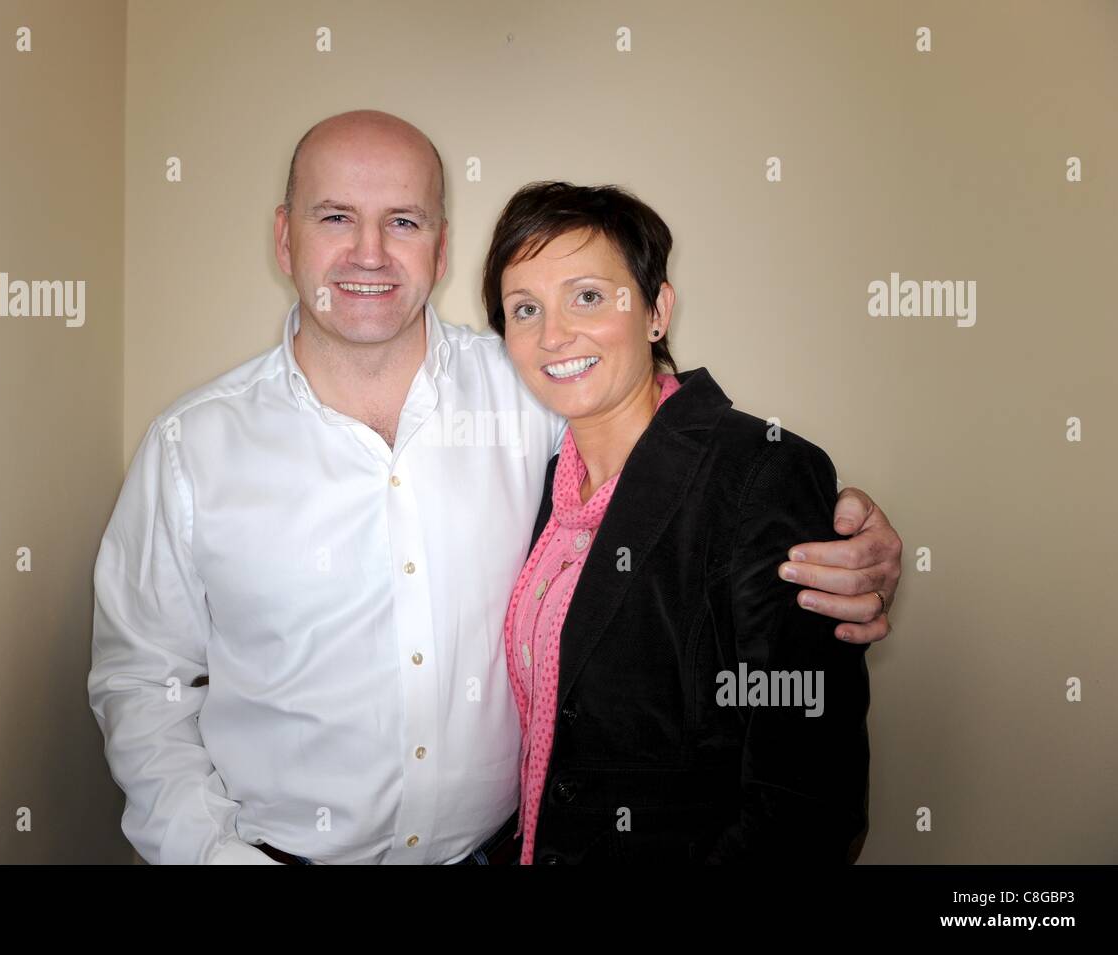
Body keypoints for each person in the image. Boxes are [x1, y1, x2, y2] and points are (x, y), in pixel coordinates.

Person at [87, 110, 901, 865]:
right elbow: (139, 682)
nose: (369, 252)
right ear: (283, 238)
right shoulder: (190, 447)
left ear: (439, 250)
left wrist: (842, 528)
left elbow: (666, 450)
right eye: (335, 216)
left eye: (402, 221)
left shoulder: (529, 388)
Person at [487, 180, 873, 863]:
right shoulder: (545, 485)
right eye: (525, 309)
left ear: (656, 309)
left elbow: (809, 803)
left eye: (587, 296)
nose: (553, 334)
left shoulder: (759, 472)